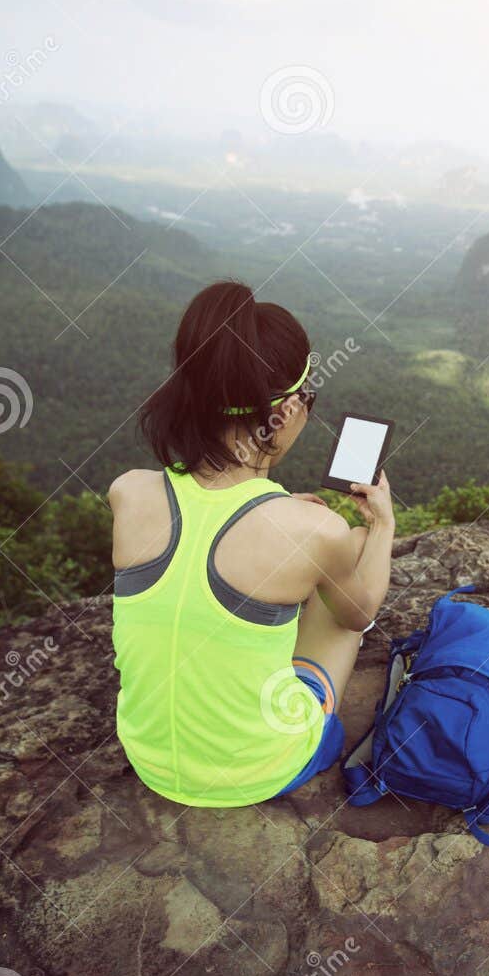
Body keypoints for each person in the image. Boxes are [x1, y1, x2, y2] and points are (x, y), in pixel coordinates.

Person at [108, 281, 393, 806]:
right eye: (309, 399)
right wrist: (381, 526)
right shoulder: (313, 532)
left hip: (148, 759)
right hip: (262, 770)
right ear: (283, 412)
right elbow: (361, 615)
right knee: (350, 553)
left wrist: (282, 518)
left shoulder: (128, 493)